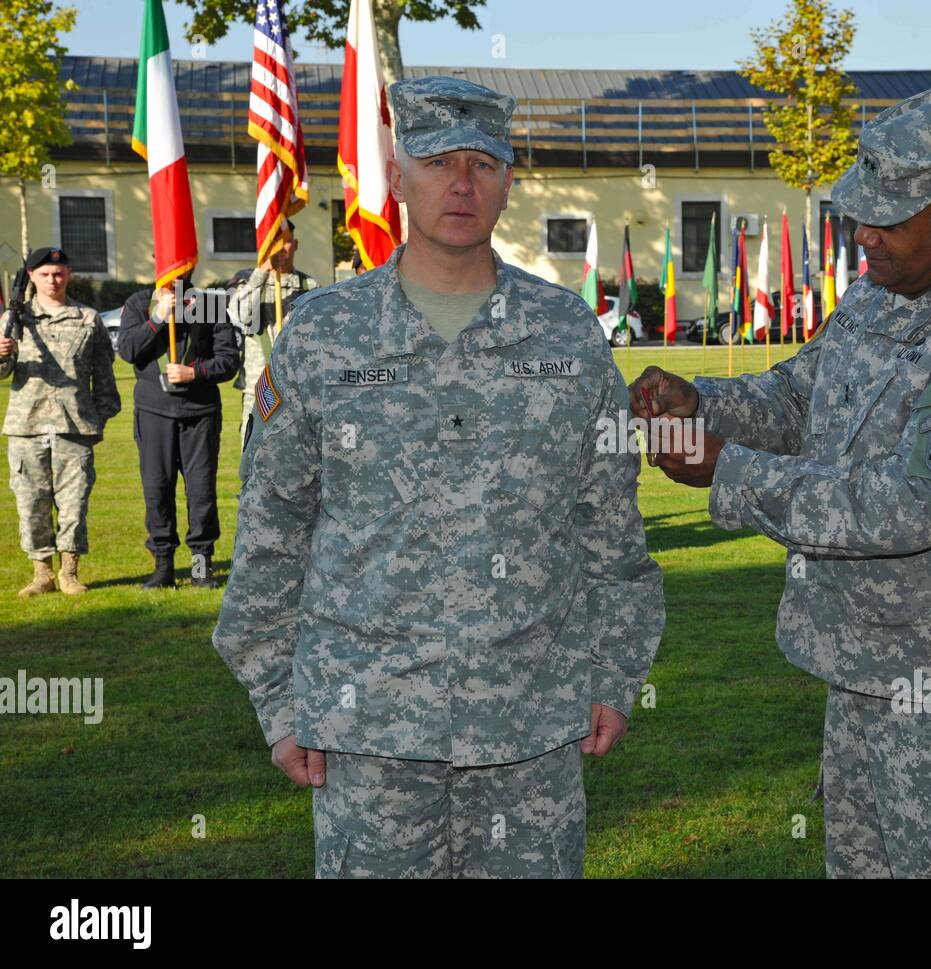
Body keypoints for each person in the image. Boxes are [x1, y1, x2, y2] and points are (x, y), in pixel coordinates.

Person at [632, 86, 931, 879]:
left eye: (888, 220)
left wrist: (728, 468)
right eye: (861, 212)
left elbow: (908, 504)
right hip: (866, 676)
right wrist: (704, 402)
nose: (863, 233)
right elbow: (802, 394)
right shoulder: (884, 289)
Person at [213, 76, 664, 879]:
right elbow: (274, 530)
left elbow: (610, 528)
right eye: (437, 161)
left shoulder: (565, 335)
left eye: (483, 164)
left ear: (509, 180)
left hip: (529, 729)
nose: (461, 183)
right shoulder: (325, 336)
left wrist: (617, 672)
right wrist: (280, 704)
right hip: (368, 733)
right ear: (397, 173)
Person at [0, 247, 120, 596]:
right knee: (31, 502)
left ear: (68, 274)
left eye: (59, 273)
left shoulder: (88, 319)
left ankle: (69, 572)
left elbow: (105, 380)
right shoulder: (14, 319)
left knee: (74, 504)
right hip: (27, 425)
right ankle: (42, 574)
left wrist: (97, 419)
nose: (53, 280)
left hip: (74, 427)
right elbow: (3, 373)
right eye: (45, 274)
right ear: (32, 278)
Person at [116, 275, 239, 589]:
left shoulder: (210, 303)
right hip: (155, 414)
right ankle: (163, 567)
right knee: (157, 489)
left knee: (201, 493)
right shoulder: (140, 303)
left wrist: (194, 372)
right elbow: (128, 350)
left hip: (200, 414)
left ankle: (200, 565)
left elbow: (228, 361)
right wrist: (158, 317)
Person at [226, 219, 319, 441]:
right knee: (254, 464)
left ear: (295, 245)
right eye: (274, 243)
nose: (280, 249)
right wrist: (262, 272)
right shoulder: (248, 282)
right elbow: (239, 315)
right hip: (258, 390)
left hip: (297, 393)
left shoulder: (309, 287)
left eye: (285, 242)